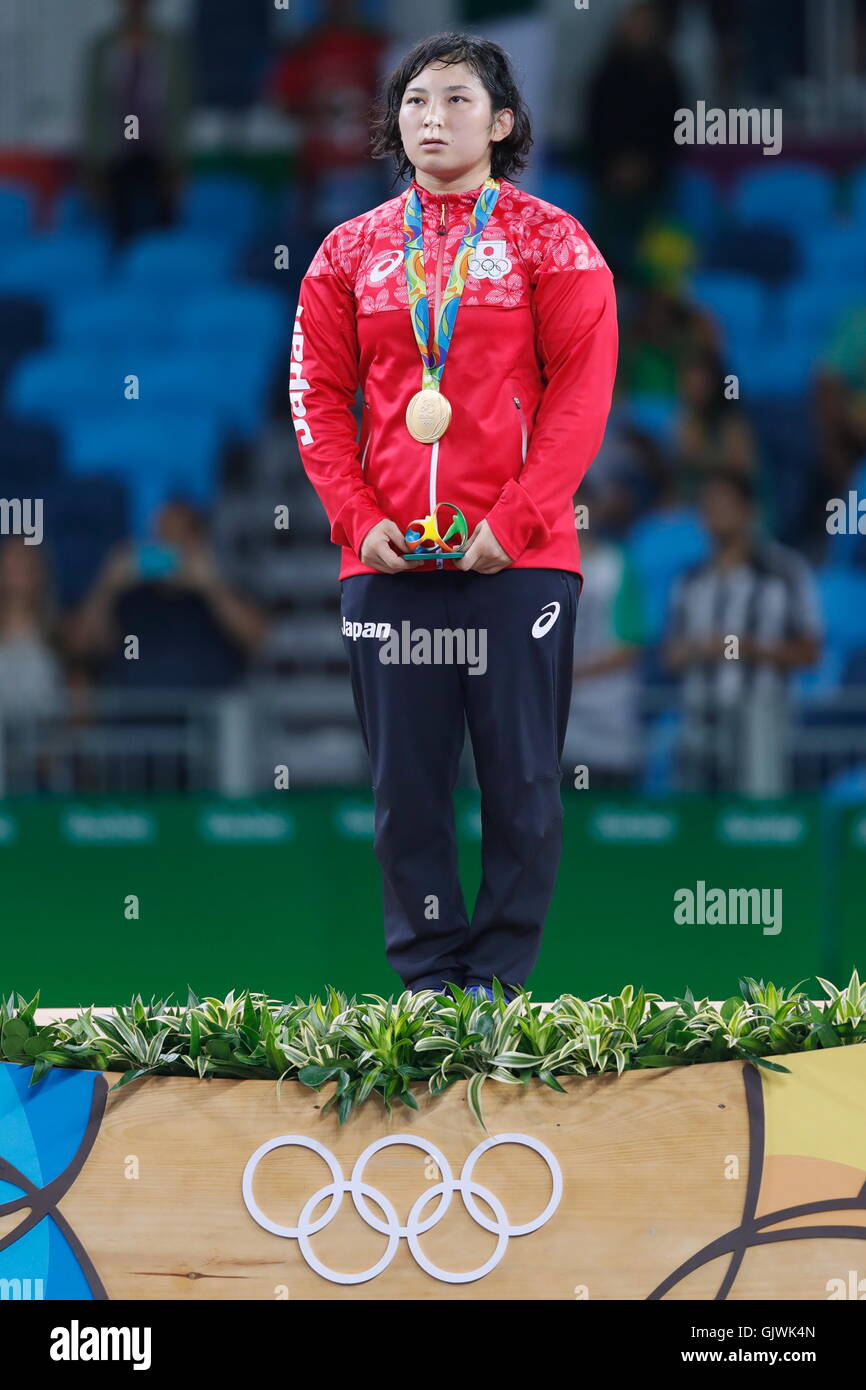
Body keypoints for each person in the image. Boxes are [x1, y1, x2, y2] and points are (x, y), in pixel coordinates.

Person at [290, 32, 618, 1003]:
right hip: (387, 564)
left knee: (518, 783)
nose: (432, 119)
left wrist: (512, 522)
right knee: (404, 792)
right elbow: (315, 394)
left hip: (514, 561)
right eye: (415, 103)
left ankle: (499, 980)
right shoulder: (347, 252)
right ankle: (432, 978)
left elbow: (579, 398)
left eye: (456, 101)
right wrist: (355, 519)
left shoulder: (550, 241)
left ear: (503, 123)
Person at [662, 468, 821, 793]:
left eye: (725, 504)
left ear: (749, 510)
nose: (715, 513)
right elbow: (669, 655)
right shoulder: (689, 581)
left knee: (754, 818)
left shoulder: (785, 572)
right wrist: (694, 649)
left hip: (760, 717)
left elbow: (809, 651)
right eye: (708, 506)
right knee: (695, 825)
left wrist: (744, 647)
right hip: (698, 718)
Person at [80, 0, 193, 246]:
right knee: (118, 234)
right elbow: (93, 108)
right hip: (115, 157)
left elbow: (180, 106)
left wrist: (178, 161)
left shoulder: (170, 46)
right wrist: (93, 162)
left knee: (161, 234)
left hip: (159, 157)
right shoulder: (104, 47)